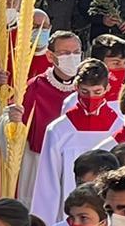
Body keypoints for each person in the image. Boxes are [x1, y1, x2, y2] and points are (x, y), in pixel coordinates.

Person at [30, 59, 123, 226]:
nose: (91, 98)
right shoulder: (58, 129)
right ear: (76, 88)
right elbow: (47, 182)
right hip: (70, 217)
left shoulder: (118, 128)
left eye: (97, 91)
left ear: (107, 88)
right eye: (85, 91)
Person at [18, 30, 85, 201]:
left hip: (77, 162)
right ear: (50, 56)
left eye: (76, 52)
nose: (72, 57)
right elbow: (17, 128)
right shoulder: (36, 86)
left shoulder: (88, 87)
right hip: (40, 160)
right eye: (65, 53)